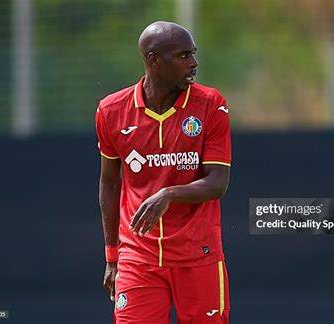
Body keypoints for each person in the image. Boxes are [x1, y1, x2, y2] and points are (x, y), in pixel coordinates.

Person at [95, 21, 232, 323]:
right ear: (154, 60)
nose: (193, 63)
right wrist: (112, 256)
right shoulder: (111, 111)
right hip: (138, 258)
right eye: (183, 56)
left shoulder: (211, 104)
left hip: (198, 254)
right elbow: (109, 182)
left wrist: (169, 194)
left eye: (193, 54)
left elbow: (217, 183)